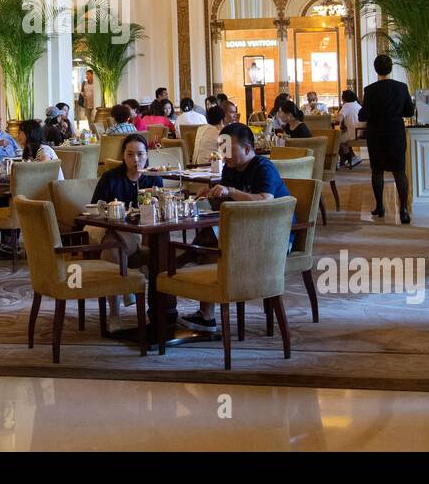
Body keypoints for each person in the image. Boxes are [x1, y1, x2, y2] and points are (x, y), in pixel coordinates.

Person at [180, 123, 291, 332]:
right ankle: (197, 303)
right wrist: (212, 194)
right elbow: (226, 203)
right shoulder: (231, 170)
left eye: (228, 150)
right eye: (221, 149)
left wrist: (229, 191)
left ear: (248, 149)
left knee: (211, 245)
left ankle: (202, 309)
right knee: (209, 239)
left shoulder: (263, 167)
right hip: (244, 232)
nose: (224, 156)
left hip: (274, 237)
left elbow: (265, 200)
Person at [87, 134, 162, 265]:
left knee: (112, 244)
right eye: (130, 154)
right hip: (106, 227)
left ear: (147, 155)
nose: (136, 159)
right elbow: (96, 208)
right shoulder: (110, 178)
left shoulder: (154, 179)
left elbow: (159, 211)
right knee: (111, 240)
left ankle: (117, 281)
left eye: (140, 154)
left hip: (135, 230)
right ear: (123, 155)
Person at [359, 54, 415, 223]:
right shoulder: (402, 87)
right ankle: (404, 209)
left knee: (377, 170)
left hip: (376, 134)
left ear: (376, 69)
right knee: (399, 171)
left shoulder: (370, 90)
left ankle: (380, 207)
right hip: (396, 133)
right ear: (390, 68)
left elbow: (363, 115)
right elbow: (409, 112)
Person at [337, 88, 363, 167]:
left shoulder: (347, 105)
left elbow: (338, 119)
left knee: (336, 140)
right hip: (360, 131)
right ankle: (347, 159)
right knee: (342, 138)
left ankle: (352, 157)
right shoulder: (357, 104)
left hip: (353, 133)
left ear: (344, 98)